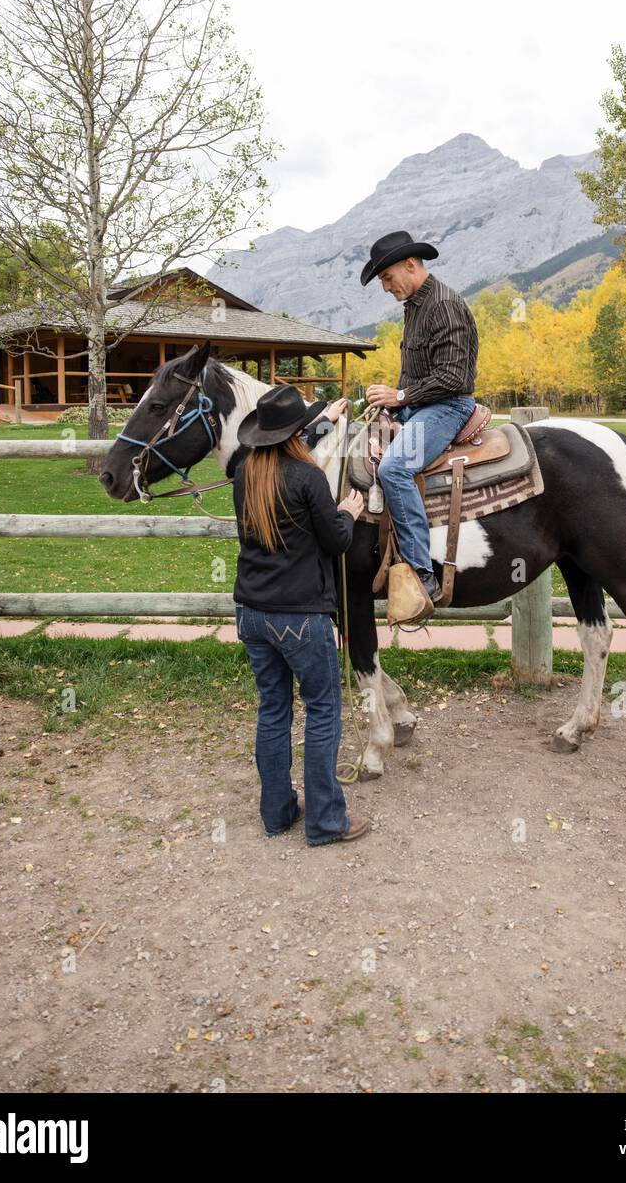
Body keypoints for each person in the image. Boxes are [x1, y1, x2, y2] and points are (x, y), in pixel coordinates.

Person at [231, 383, 370, 846]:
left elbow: (290, 453)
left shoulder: (245, 472)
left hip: (251, 611)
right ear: (298, 432)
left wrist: (324, 420)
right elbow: (336, 541)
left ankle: (276, 813)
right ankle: (327, 822)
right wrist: (349, 511)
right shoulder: (308, 478)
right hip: (300, 616)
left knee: (273, 710)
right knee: (324, 710)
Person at [360, 230, 478, 605]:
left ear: (410, 265)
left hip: (448, 406)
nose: (385, 287)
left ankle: (421, 573)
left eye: (387, 278)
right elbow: (417, 373)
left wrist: (400, 396)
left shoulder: (443, 305)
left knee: (394, 468)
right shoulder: (415, 306)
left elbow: (454, 377)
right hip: (420, 406)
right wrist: (392, 400)